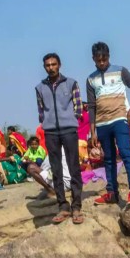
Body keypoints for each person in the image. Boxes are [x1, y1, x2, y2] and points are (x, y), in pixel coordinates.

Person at [86, 41, 130, 206]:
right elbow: (91, 106)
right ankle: (112, 192)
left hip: (119, 119)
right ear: (93, 59)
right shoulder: (91, 79)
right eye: (98, 60)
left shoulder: (120, 71)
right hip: (102, 123)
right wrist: (93, 131)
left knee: (126, 152)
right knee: (109, 159)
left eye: (104, 59)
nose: (102, 63)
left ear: (108, 56)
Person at [36, 52, 84, 225]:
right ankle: (63, 206)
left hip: (69, 129)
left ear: (59, 65)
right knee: (56, 170)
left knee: (74, 168)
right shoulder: (40, 87)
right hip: (51, 132)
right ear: (44, 67)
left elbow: (78, 106)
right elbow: (41, 110)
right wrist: (46, 123)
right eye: (48, 65)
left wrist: (73, 119)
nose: (51, 67)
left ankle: (76, 205)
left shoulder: (71, 83)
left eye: (53, 64)